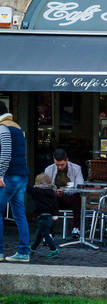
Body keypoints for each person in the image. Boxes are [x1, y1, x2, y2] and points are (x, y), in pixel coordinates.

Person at [0, 111, 30, 262]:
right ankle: (24, 252)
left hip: (9, 176)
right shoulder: (17, 128)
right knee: (20, 215)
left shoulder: (2, 128)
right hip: (21, 175)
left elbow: (5, 152)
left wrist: (0, 174)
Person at [45, 149, 85, 236]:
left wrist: (65, 191)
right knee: (49, 199)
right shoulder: (48, 169)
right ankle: (49, 232)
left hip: (70, 197)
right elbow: (46, 187)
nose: (59, 167)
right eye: (57, 165)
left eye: (61, 165)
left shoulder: (76, 168)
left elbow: (79, 185)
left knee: (77, 197)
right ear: (54, 160)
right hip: (55, 198)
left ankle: (76, 228)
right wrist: (55, 191)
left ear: (67, 160)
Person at [27, 173, 60, 259]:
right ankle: (33, 248)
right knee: (39, 235)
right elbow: (55, 205)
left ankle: (54, 249)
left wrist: (23, 181)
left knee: (45, 234)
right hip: (48, 217)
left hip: (42, 217)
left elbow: (29, 189)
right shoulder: (52, 192)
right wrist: (55, 215)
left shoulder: (38, 191)